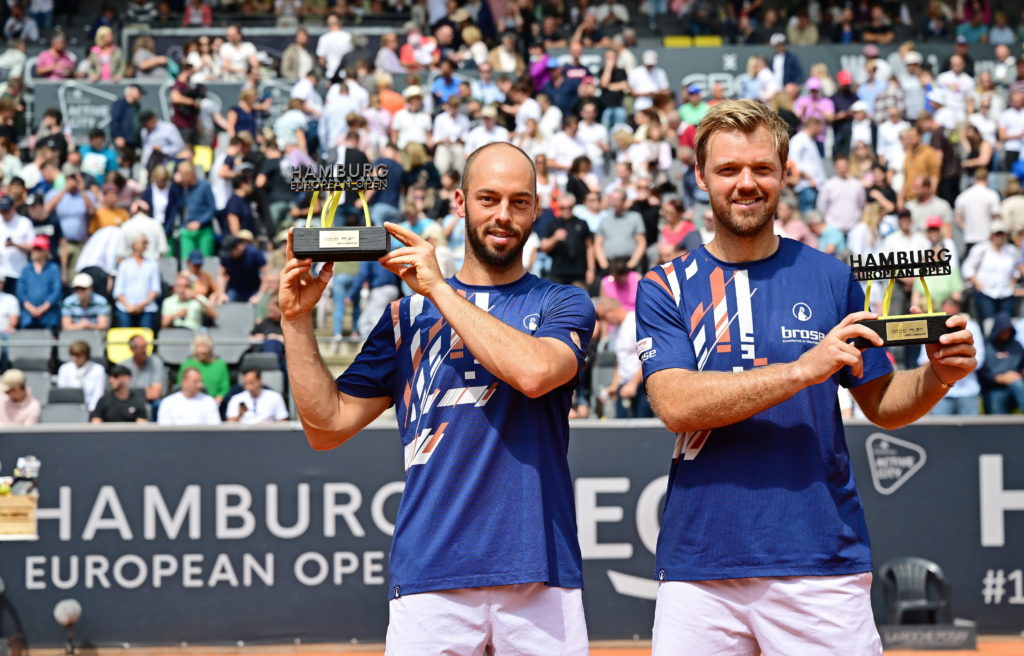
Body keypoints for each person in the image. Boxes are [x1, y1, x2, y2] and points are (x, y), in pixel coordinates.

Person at [634, 99, 976, 655]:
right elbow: (675, 403)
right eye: (728, 170)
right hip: (700, 568)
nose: (746, 183)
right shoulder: (666, 285)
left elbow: (883, 401)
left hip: (821, 562)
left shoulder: (830, 277)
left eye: (762, 169)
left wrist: (937, 375)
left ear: (785, 172)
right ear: (700, 177)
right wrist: (799, 370)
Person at [280, 141, 595, 654]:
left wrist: (440, 291)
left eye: (519, 202)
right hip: (431, 575)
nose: (503, 215)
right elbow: (326, 426)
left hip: (540, 572)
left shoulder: (562, 301)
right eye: (488, 199)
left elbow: (535, 373)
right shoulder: (405, 319)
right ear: (459, 202)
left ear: (536, 209)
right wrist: (295, 320)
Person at [113, 234, 160, 329]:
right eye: (143, 242)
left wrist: (141, 305)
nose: (145, 245)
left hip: (146, 308)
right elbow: (118, 291)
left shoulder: (152, 265)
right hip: (125, 308)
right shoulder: (124, 265)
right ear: (134, 244)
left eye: (146, 243)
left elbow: (155, 289)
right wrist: (129, 306)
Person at [17, 235, 61, 330]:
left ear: (45, 251)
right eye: (34, 249)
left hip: (49, 316)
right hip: (28, 316)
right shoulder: (26, 269)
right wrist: (31, 308)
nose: (35, 252)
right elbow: (21, 292)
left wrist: (43, 308)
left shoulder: (53, 268)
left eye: (39, 249)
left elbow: (56, 291)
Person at [157, 366, 222, 425]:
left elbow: (215, 427)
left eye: (200, 381)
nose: (200, 385)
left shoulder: (209, 401)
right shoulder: (168, 402)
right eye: (195, 382)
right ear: (184, 381)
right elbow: (164, 429)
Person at [177, 333, 230, 403]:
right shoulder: (187, 364)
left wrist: (215, 402)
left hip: (214, 403)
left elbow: (225, 388)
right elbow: (181, 385)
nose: (202, 351)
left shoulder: (220, 364)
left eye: (205, 346)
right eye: (198, 346)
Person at [118, 334, 165, 410]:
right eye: (141, 347)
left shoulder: (156, 362)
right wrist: (146, 391)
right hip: (128, 402)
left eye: (146, 346)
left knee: (158, 405)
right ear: (132, 349)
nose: (145, 350)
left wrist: (131, 393)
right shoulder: (123, 365)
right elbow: (119, 393)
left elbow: (156, 393)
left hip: (150, 402)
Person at [57, 340, 106, 411]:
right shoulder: (64, 368)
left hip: (92, 409)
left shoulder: (98, 369)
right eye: (72, 355)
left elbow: (98, 393)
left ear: (86, 355)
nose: (75, 358)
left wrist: (91, 410)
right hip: (69, 408)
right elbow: (63, 392)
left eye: (78, 356)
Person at [0, 194, 34, 294]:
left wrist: (15, 244)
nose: (4, 213)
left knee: (15, 303)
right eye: (2, 210)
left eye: (7, 210)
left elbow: (32, 247)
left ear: (13, 208)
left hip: (18, 272)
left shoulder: (24, 222)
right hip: (1, 272)